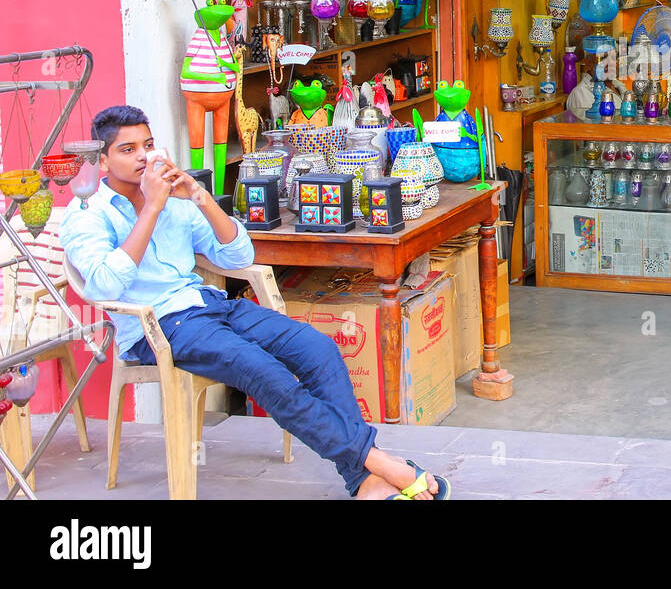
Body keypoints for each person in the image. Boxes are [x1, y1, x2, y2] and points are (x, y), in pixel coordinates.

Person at [60, 105, 448, 500]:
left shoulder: (175, 200)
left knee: (316, 348)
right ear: (102, 159)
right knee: (263, 370)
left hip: (209, 306)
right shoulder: (87, 214)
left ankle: (364, 478)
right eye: (127, 150)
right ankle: (378, 462)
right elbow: (105, 284)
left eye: (147, 145)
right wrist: (153, 207)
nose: (143, 156)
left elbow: (239, 257)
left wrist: (199, 197)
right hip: (156, 326)